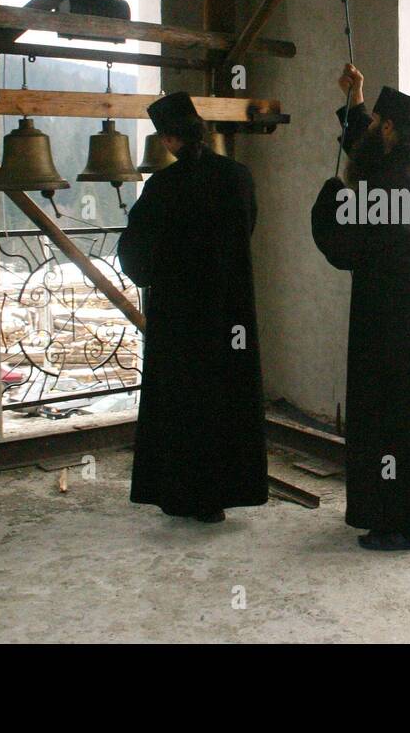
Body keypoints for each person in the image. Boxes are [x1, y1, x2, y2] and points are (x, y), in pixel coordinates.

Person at [311, 65, 410, 550]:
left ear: (389, 128)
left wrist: (329, 201)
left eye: (374, 120)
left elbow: (345, 245)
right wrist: (356, 99)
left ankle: (400, 526)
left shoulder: (383, 186)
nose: (369, 126)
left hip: (391, 326)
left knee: (389, 422)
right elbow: (369, 155)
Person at [117, 93, 268, 523]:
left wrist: (153, 272)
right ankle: (223, 492)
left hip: (180, 316)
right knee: (226, 397)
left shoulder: (163, 186)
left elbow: (137, 251)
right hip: (230, 309)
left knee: (184, 403)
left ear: (168, 140)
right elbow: (246, 228)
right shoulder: (239, 177)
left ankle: (186, 494)